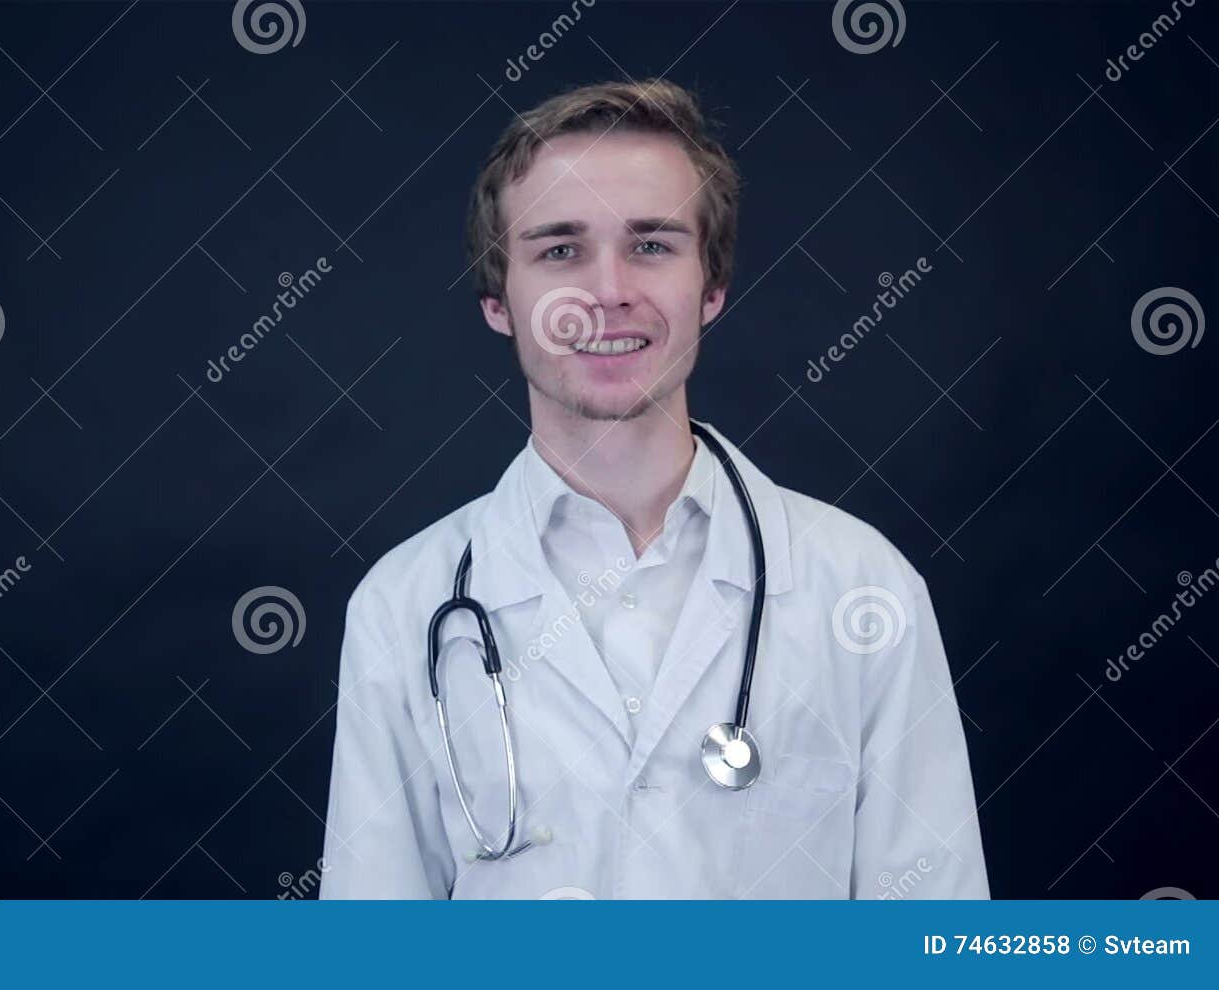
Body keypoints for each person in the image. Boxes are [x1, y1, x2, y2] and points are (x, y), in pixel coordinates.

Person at [319, 78, 988, 899]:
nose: (606, 292)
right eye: (559, 249)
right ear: (499, 300)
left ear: (712, 289)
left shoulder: (863, 588)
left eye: (652, 244)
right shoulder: (403, 605)